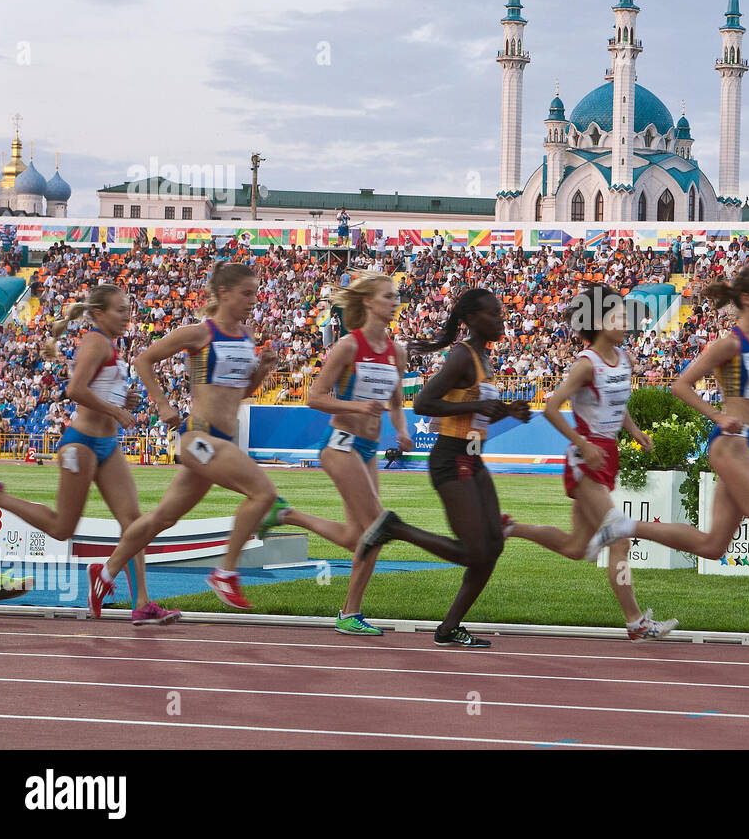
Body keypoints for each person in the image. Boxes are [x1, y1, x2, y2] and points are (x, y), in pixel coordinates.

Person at [587, 261, 749, 662]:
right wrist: (719, 416)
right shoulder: (729, 344)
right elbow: (680, 385)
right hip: (730, 445)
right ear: (746, 299)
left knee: (713, 544)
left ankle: (625, 525)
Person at [88, 263, 350, 614]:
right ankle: (225, 572)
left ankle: (104, 572)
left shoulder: (246, 336)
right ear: (224, 293)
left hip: (222, 440)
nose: (252, 300)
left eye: (255, 293)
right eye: (246, 293)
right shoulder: (199, 333)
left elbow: (241, 393)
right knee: (265, 493)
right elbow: (143, 360)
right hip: (198, 437)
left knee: (164, 518)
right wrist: (164, 404)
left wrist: (261, 370)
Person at [0, 284, 178, 623]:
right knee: (61, 528)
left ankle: (142, 603)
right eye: (119, 309)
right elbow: (74, 390)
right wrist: (116, 413)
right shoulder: (95, 342)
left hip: (106, 446)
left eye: (127, 308)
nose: (126, 314)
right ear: (99, 313)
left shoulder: (110, 347)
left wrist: (121, 402)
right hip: (81, 444)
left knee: (133, 524)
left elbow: (99, 391)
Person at [358, 289, 531, 647]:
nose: (501, 320)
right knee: (473, 552)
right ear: (471, 320)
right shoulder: (462, 355)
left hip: (472, 456)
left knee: (494, 545)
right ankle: (396, 528)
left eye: (500, 313)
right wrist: (476, 408)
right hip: (451, 458)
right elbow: (424, 402)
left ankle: (449, 627)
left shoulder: (482, 356)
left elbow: (471, 406)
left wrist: (507, 410)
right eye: (493, 314)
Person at [505, 285, 679, 641]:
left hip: (607, 454)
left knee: (577, 548)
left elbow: (617, 403)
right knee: (620, 535)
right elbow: (552, 409)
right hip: (585, 459)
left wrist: (635, 431)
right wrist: (583, 444)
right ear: (598, 322)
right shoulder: (586, 364)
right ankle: (635, 621)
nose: (626, 323)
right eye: (618, 317)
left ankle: (508, 527)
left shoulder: (622, 358)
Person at [291, 271, 415, 636]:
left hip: (369, 450)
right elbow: (315, 397)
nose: (395, 302)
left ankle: (288, 514)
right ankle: (349, 613)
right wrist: (360, 409)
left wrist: (404, 431)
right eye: (388, 297)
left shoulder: (397, 352)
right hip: (340, 445)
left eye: (396, 297)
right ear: (368, 303)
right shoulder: (348, 346)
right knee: (377, 527)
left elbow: (395, 402)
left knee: (355, 537)